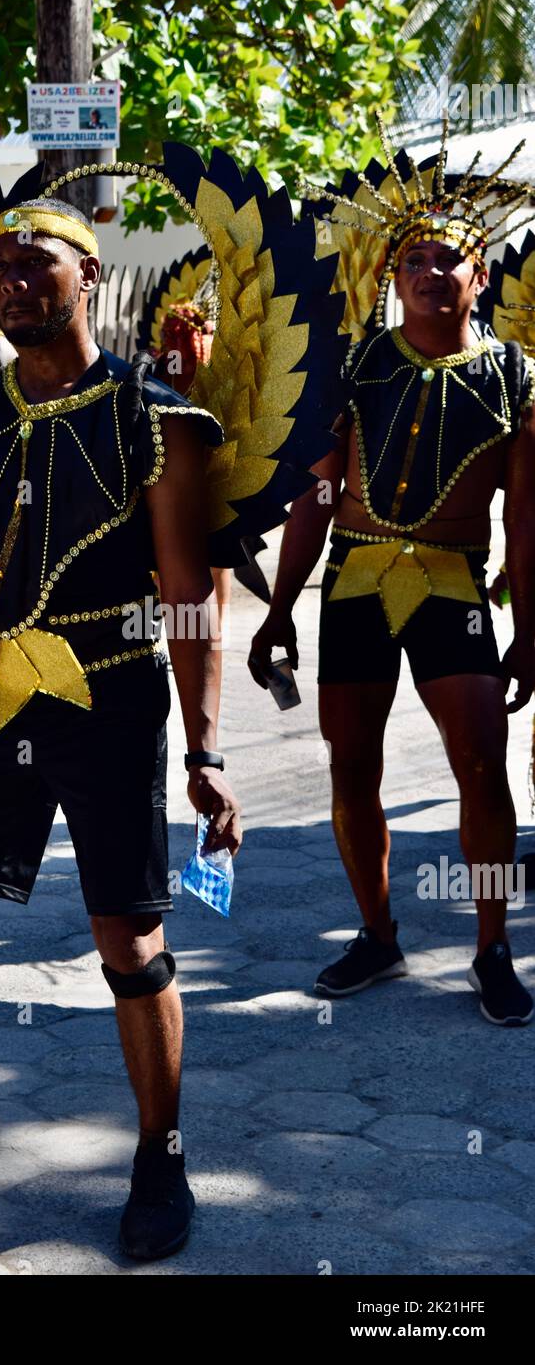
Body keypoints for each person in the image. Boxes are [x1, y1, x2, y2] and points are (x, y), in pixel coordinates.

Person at [0, 194, 242, 1261]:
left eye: (40, 265)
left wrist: (203, 747)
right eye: (3, 272)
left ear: (91, 277)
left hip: (108, 691)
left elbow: (186, 593)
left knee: (128, 934)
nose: (17, 283)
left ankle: (159, 1155)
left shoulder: (149, 416)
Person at [249, 120, 535, 1026]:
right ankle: (377, 933)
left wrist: (529, 626)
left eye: (447, 260)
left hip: (452, 582)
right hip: (354, 584)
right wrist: (278, 607)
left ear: (476, 277)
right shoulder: (358, 365)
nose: (428, 272)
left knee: (483, 769)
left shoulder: (516, 380)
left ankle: (491, 948)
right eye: (412, 259)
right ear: (392, 277)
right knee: (350, 767)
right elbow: (314, 496)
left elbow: (524, 520)